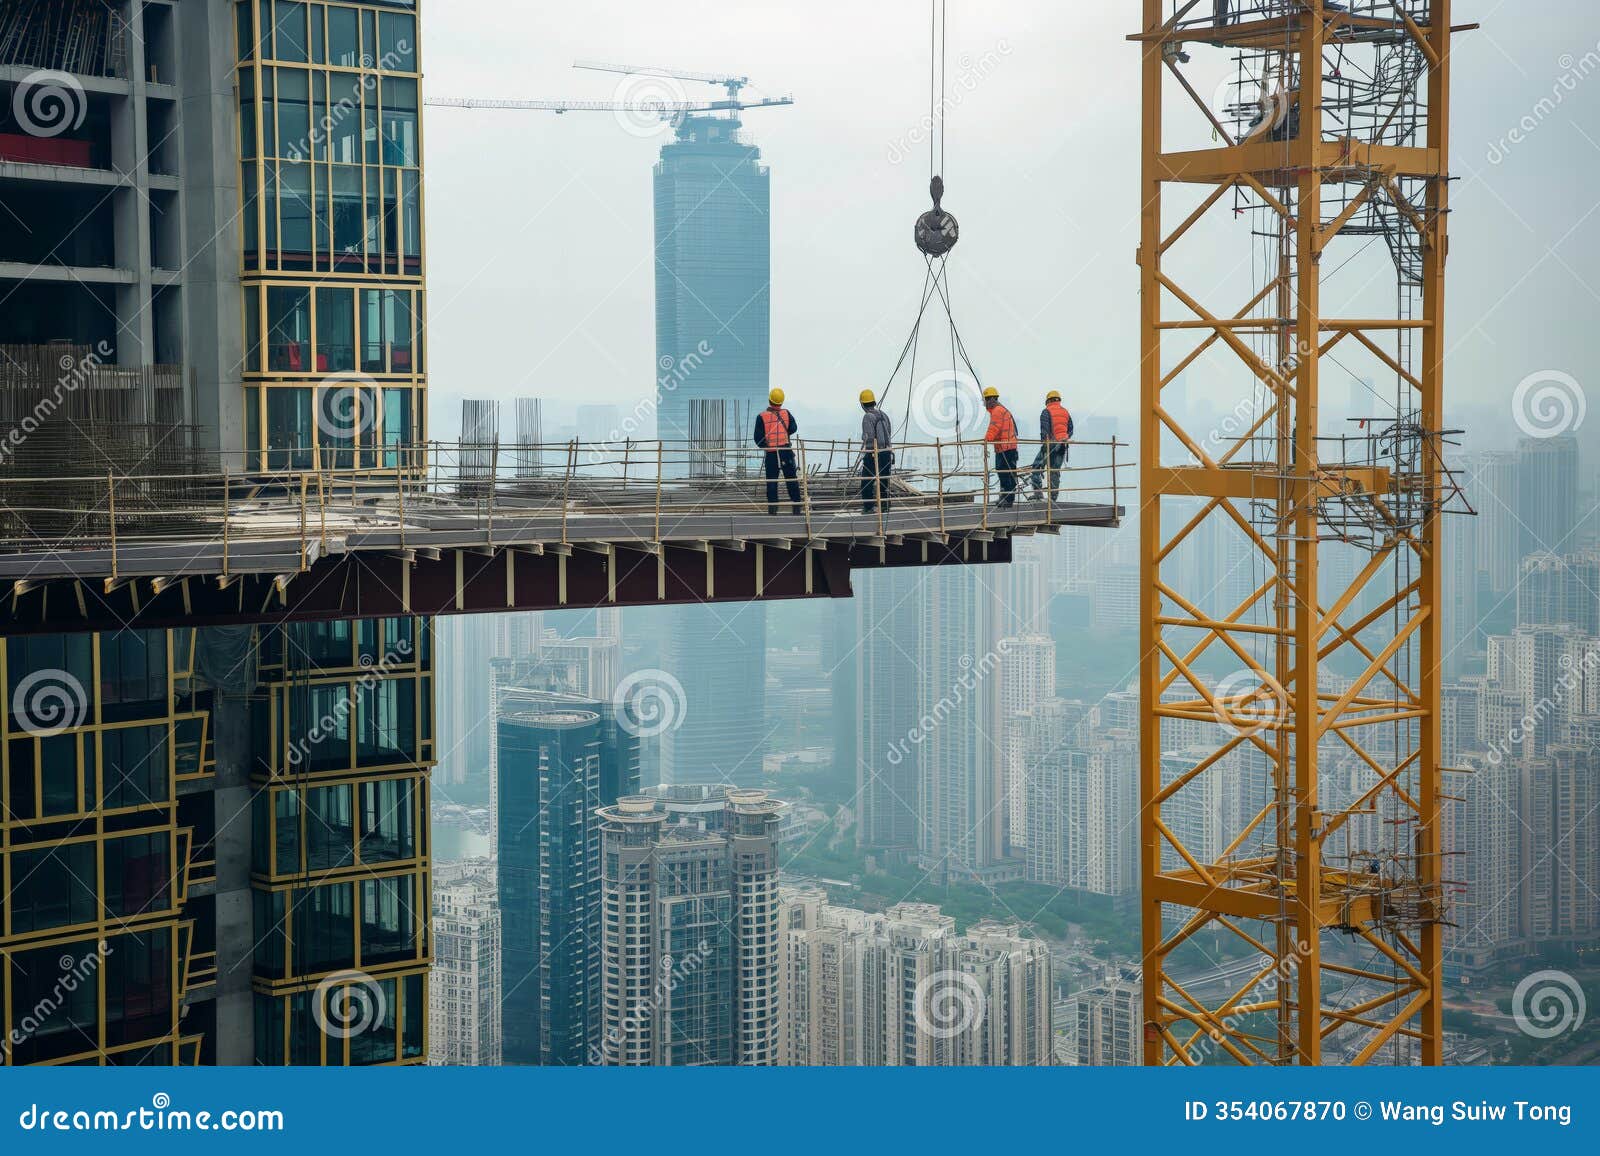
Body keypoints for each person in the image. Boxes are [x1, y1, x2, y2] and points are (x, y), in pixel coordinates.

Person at [754, 387, 801, 515]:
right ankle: (797, 507)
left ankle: (773, 510)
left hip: (771, 453)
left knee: (772, 481)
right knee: (791, 479)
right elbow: (793, 428)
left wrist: (767, 444)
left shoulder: (761, 416)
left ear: (770, 400)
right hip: (785, 451)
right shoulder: (786, 413)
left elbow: (758, 439)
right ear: (781, 401)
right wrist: (783, 435)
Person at [1028, 389, 1074, 503]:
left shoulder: (1046, 411)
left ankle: (1038, 494)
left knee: (1036, 467)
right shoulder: (1065, 412)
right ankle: (1053, 498)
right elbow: (1071, 429)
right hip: (1062, 445)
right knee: (1054, 471)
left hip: (1050, 444)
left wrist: (1045, 445)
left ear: (1048, 401)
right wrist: (1064, 438)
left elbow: (1044, 431)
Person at [982, 386, 1019, 509]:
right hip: (1007, 447)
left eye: (987, 399)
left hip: (1006, 448)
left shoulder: (997, 411)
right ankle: (1005, 498)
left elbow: (994, 427)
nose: (985, 402)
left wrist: (987, 440)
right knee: (1006, 472)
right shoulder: (1001, 409)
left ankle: (1007, 500)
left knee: (1005, 473)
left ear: (992, 399)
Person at [858, 389, 893, 516]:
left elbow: (868, 437)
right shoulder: (883, 415)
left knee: (866, 481)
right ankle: (885, 506)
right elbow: (889, 432)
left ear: (862, 404)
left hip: (873, 453)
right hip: (886, 452)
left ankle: (868, 507)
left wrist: (864, 438)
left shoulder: (867, 417)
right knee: (884, 481)